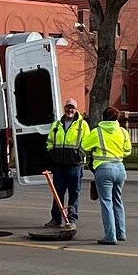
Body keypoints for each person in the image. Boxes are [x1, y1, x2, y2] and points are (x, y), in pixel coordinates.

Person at [82, 106, 131, 245]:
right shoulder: (122, 131)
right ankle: (121, 232)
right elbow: (127, 150)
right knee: (118, 200)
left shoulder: (97, 132)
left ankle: (110, 236)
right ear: (117, 118)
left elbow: (84, 147)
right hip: (120, 168)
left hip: (104, 169)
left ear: (103, 117)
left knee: (106, 202)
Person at [45, 98, 90, 229]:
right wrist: (51, 154)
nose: (70, 110)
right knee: (57, 193)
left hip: (75, 165)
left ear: (76, 110)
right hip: (58, 164)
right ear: (64, 108)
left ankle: (71, 220)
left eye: (72, 108)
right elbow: (49, 142)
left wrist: (79, 155)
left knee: (74, 193)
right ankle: (55, 219)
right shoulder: (57, 124)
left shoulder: (82, 125)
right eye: (68, 107)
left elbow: (87, 143)